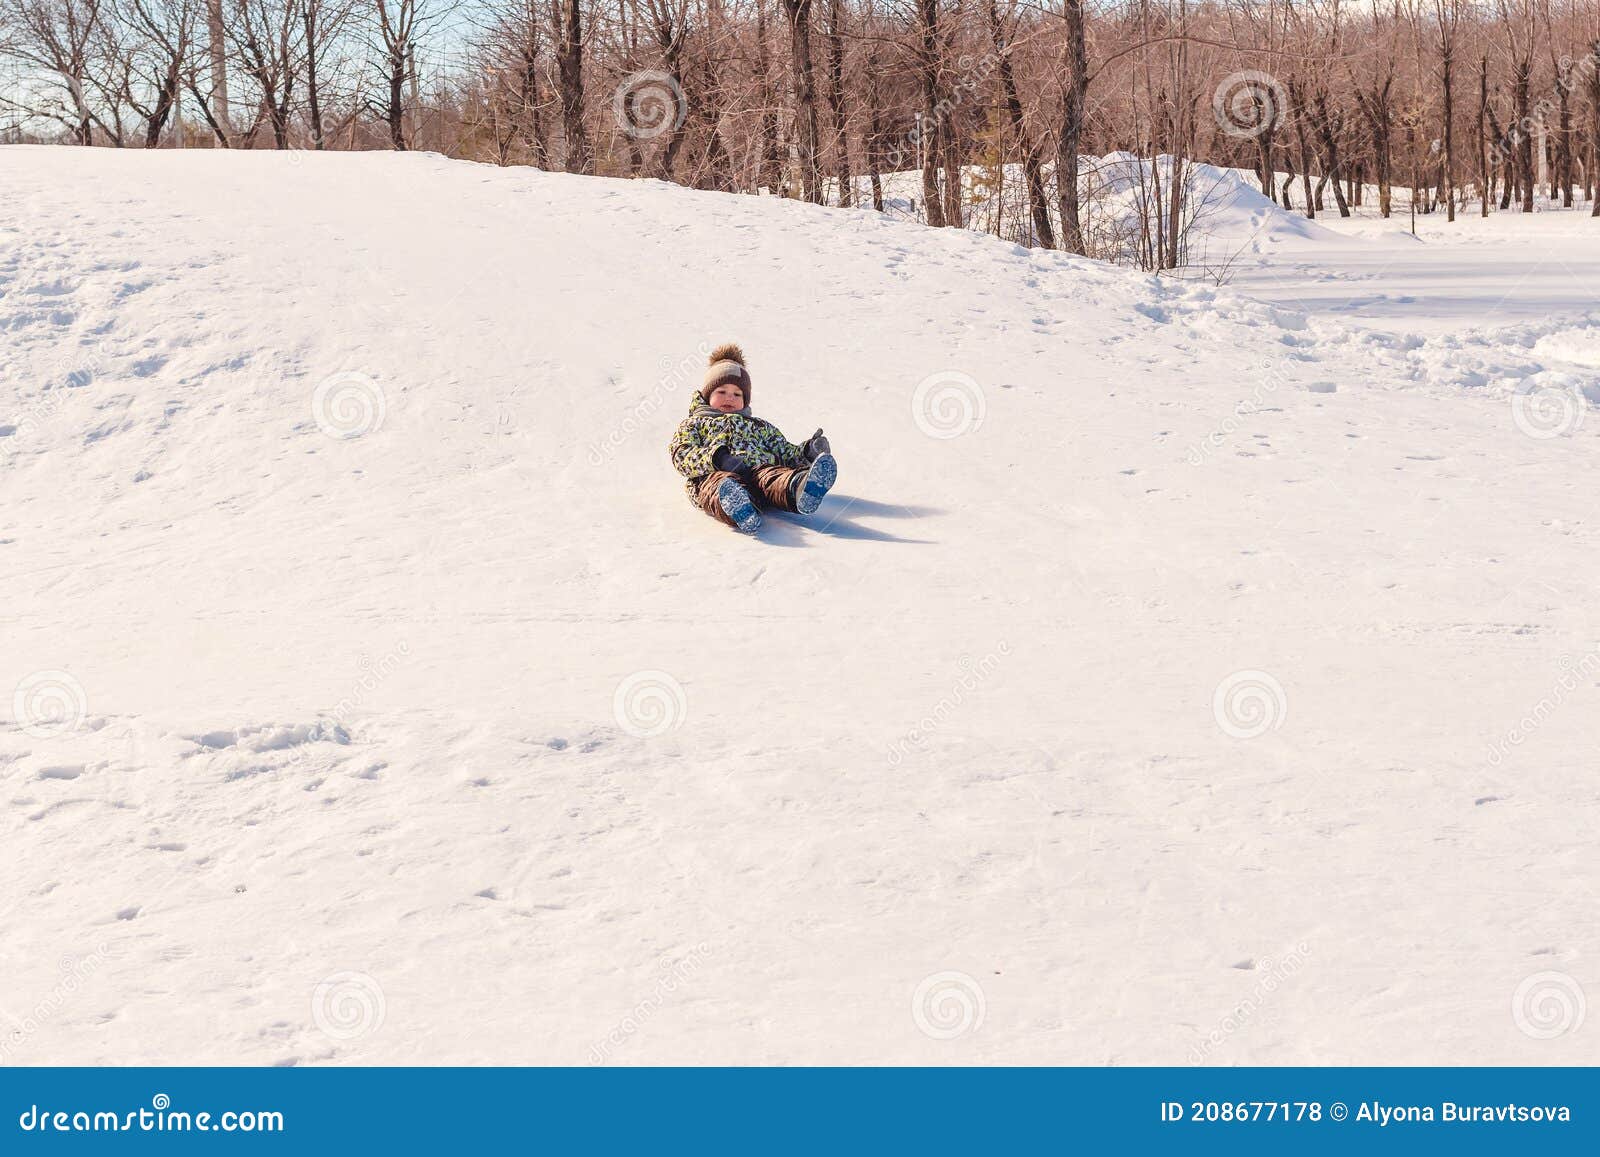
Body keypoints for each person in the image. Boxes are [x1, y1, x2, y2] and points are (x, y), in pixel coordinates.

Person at [667, 343, 837, 534]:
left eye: (737, 394)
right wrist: (717, 458)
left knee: (772, 475)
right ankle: (738, 508)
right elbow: (681, 454)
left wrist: (807, 452)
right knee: (717, 485)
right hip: (715, 475)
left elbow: (784, 451)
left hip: (758, 473)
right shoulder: (695, 424)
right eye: (721, 392)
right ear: (707, 396)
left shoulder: (759, 426)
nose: (729, 398)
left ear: (745, 399)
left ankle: (799, 489)